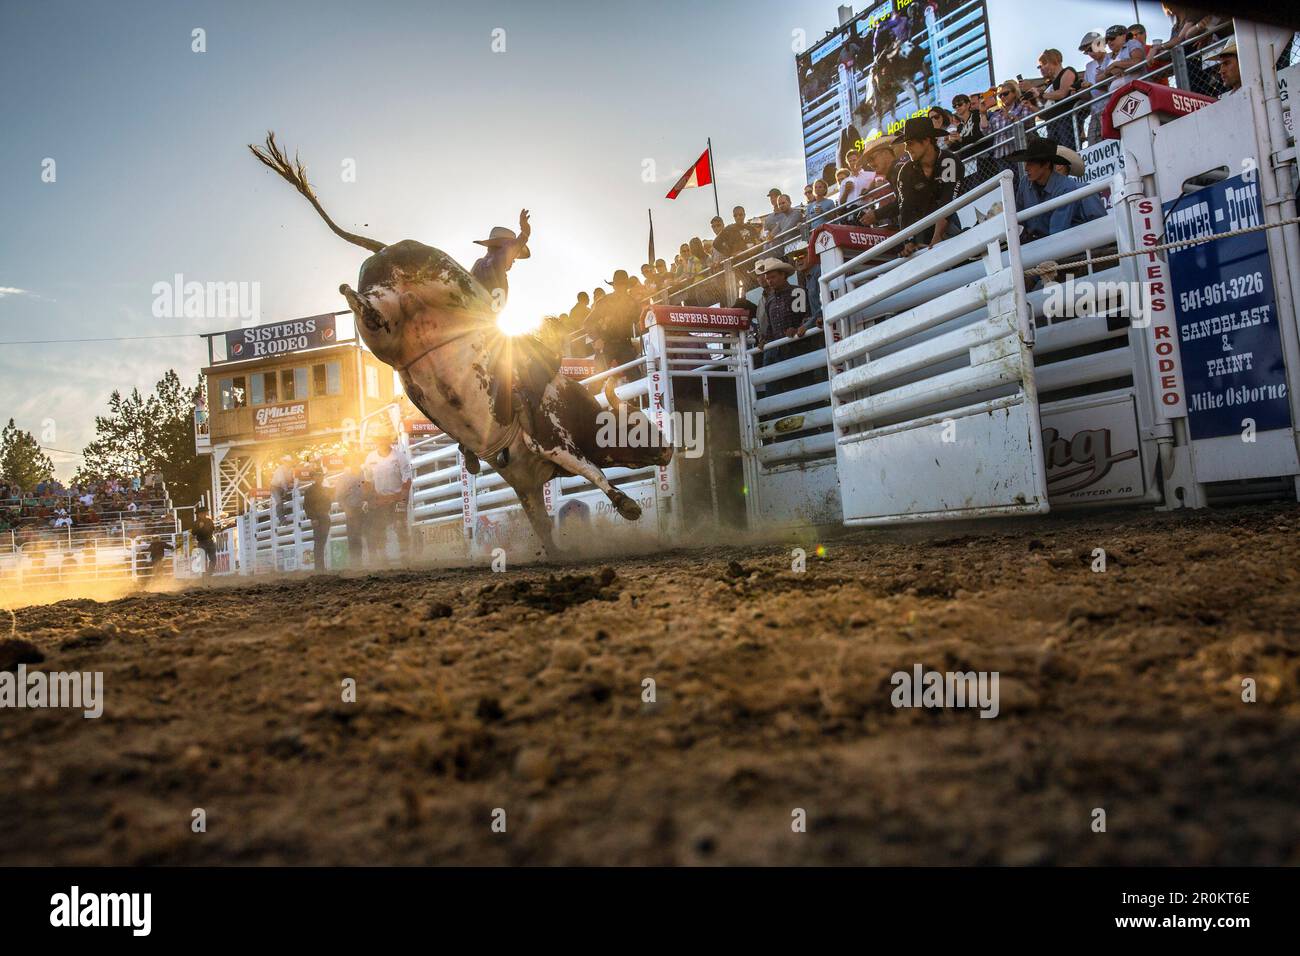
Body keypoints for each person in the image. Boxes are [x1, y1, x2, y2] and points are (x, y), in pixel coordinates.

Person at [1008, 137, 1106, 242]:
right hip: (1040, 243)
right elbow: (1019, 218)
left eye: (1031, 163)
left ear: (1046, 164)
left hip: (1060, 245)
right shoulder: (1025, 183)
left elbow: (1057, 232)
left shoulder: (1067, 187)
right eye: (1027, 163)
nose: (1026, 168)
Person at [896, 116, 963, 256]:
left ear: (926, 140)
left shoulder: (949, 160)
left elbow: (948, 200)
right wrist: (908, 241)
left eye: (910, 143)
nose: (907, 149)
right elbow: (905, 208)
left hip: (946, 223)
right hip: (919, 227)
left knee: (953, 239)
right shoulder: (906, 171)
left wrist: (937, 237)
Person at [363, 434, 412, 564]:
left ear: (389, 441)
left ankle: (404, 554)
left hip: (397, 497)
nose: (382, 442)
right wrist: (368, 498)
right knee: (379, 527)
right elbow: (367, 480)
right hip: (380, 498)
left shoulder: (399, 457)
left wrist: (403, 496)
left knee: (400, 524)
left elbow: (407, 477)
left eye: (384, 439)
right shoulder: (370, 458)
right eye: (379, 440)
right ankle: (382, 556)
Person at [470, 209, 531, 307]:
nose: (514, 260)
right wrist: (525, 234)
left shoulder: (487, 266)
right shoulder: (490, 263)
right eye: (513, 255)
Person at [1036, 49, 1080, 149]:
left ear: (1054, 61)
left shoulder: (1068, 71)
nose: (1041, 68)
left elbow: (1062, 93)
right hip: (1052, 124)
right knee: (1056, 157)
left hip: (1067, 121)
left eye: (1044, 64)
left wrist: (1042, 95)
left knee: (1069, 152)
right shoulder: (1048, 84)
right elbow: (1044, 107)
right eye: (1039, 66)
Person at [335, 453, 368, 566]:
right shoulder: (344, 477)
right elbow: (339, 496)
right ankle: (356, 561)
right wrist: (346, 508)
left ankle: (365, 560)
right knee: (354, 536)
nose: (355, 463)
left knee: (367, 533)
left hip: (365, 507)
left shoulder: (365, 474)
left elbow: (370, 489)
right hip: (352, 509)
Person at [1078, 31, 1109, 146]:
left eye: (1090, 49)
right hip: (1096, 111)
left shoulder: (1112, 59)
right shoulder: (1089, 66)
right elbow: (1088, 95)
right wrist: (1080, 91)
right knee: (1094, 145)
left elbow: (1115, 85)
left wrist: (1092, 86)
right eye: (1086, 52)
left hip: (1112, 107)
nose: (1090, 53)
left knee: (1114, 141)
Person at [301, 466, 334, 573]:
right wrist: (313, 518)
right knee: (319, 542)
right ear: (314, 477)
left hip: (324, 516)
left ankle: (320, 567)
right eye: (317, 475)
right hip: (318, 517)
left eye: (321, 476)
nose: (319, 478)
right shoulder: (310, 490)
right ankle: (319, 568)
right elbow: (307, 506)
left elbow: (329, 502)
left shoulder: (324, 489)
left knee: (321, 542)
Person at [192, 505, 218, 577]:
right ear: (199, 514)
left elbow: (213, 529)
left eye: (204, 513)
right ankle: (205, 575)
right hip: (202, 542)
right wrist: (199, 528)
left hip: (210, 541)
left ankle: (209, 574)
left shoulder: (209, 521)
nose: (203, 514)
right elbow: (193, 533)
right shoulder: (196, 523)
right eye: (201, 513)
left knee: (213, 559)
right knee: (204, 560)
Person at [270, 454, 294, 526]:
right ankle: (282, 520)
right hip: (275, 487)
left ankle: (291, 517)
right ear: (284, 462)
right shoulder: (280, 469)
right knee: (279, 502)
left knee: (290, 498)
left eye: (289, 462)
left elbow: (289, 480)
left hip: (283, 487)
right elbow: (281, 480)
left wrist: (289, 487)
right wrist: (286, 489)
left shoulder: (290, 470)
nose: (288, 463)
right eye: (287, 461)